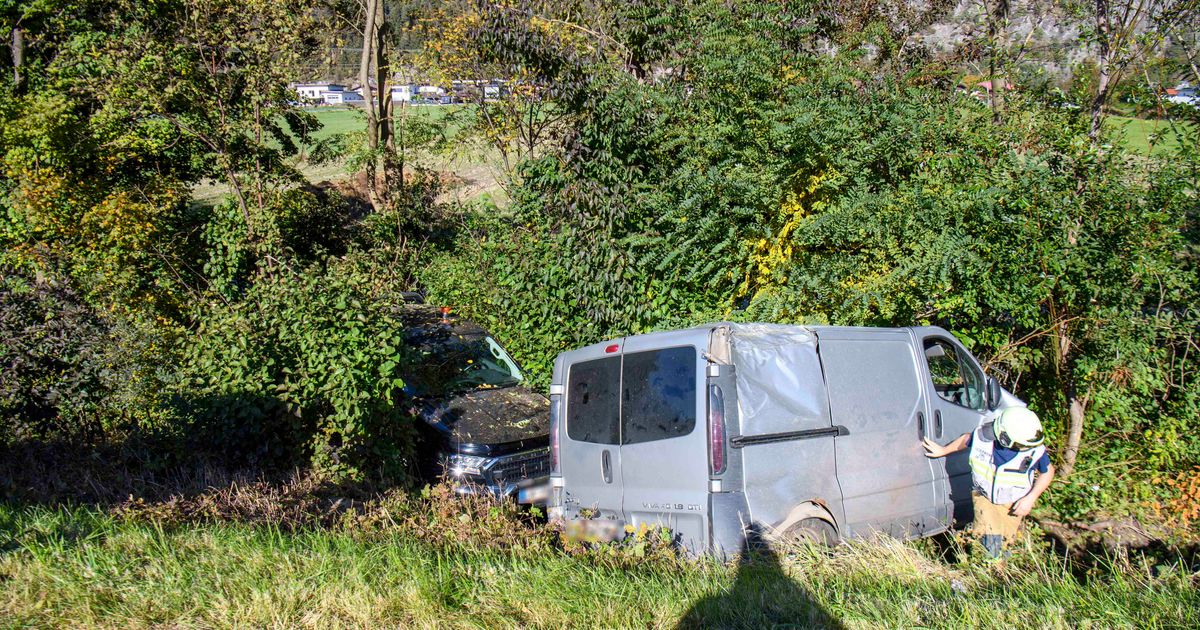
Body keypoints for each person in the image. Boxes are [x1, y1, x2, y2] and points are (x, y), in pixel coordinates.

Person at [922, 406, 1055, 558]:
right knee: (990, 543)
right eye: (1021, 444)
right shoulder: (982, 438)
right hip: (984, 497)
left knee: (1006, 544)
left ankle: (997, 568)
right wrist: (943, 451)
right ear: (1004, 436)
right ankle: (986, 564)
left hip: (1013, 504)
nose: (1025, 448)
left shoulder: (1035, 450)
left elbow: (1048, 472)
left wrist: (1030, 499)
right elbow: (965, 439)